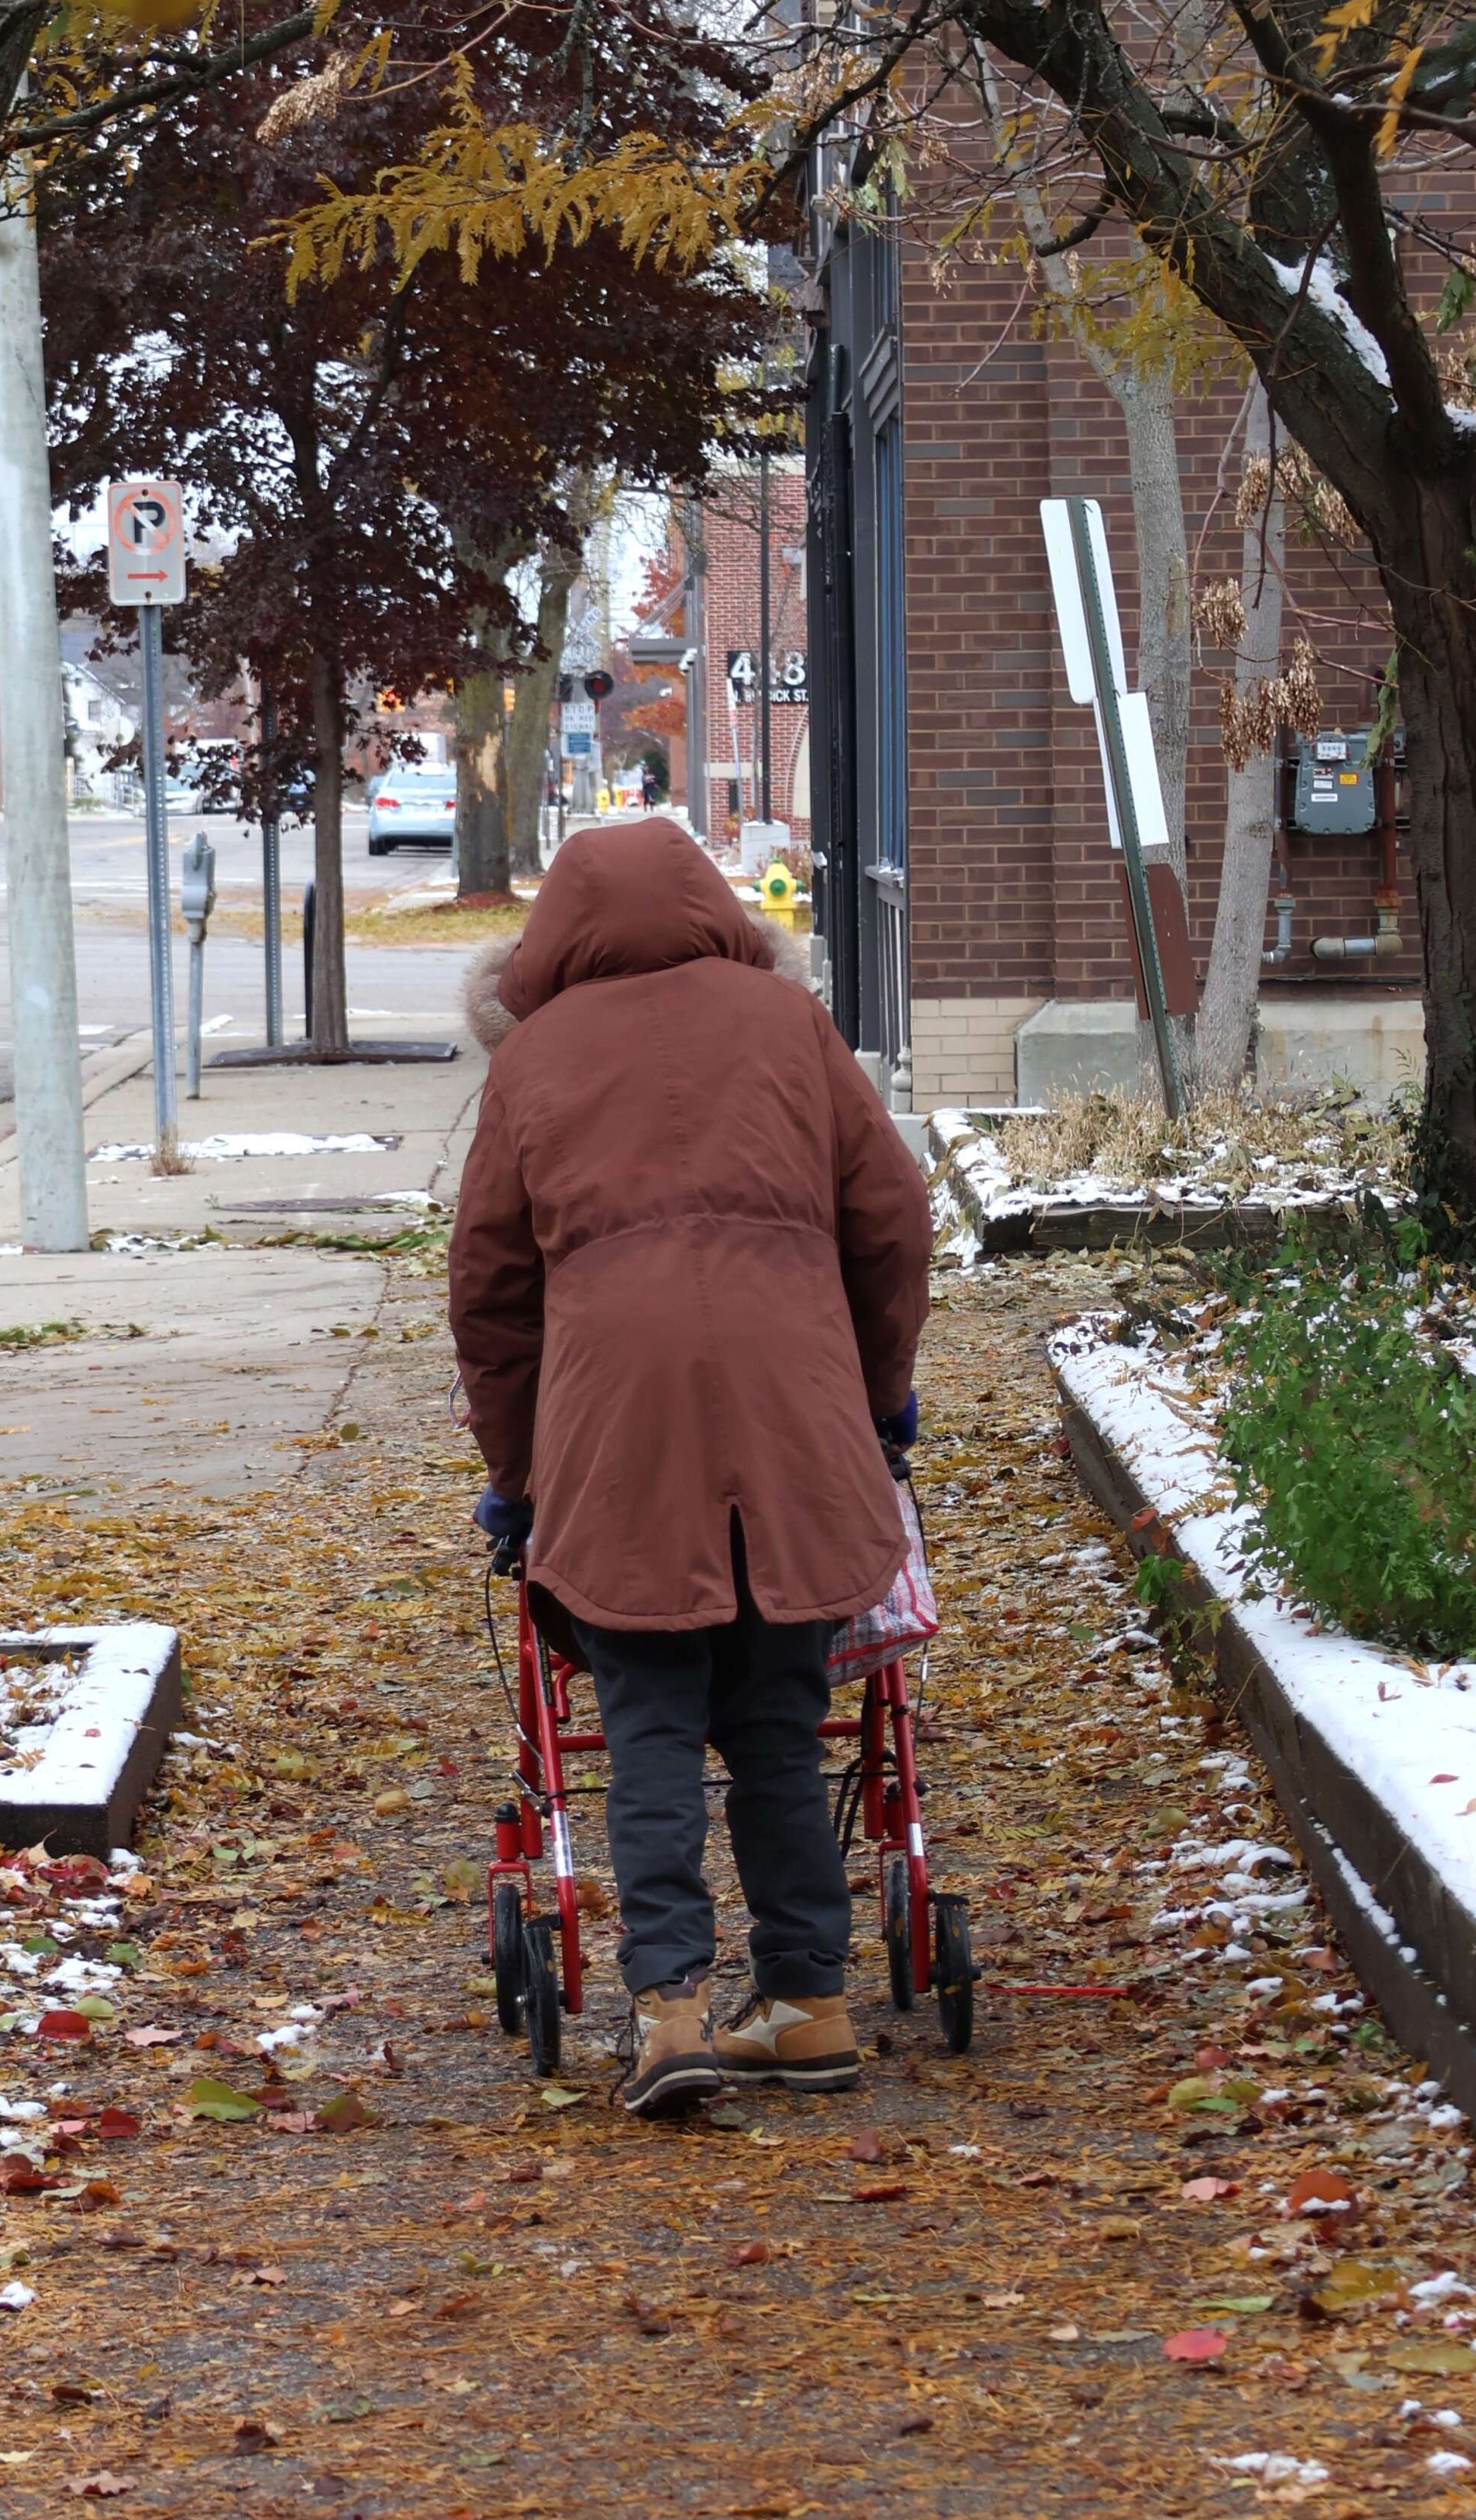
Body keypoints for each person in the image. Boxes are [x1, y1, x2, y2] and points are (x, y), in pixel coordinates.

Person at [449, 818, 930, 2117]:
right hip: (792, 1407)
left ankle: (669, 2012)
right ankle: (808, 2002)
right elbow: (890, 1221)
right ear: (717, 909)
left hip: (617, 1425)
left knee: (648, 1719)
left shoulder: (534, 1059)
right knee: (776, 1714)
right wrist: (875, 1397)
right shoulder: (787, 1025)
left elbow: (490, 1294)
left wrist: (520, 1475)